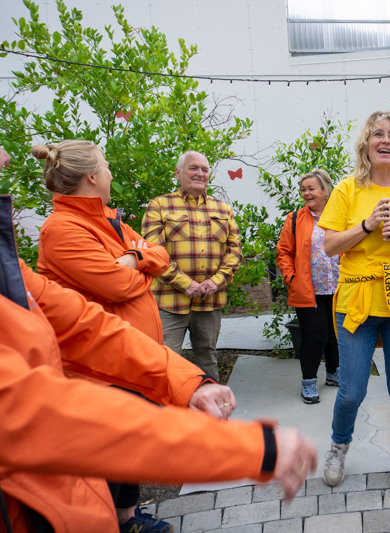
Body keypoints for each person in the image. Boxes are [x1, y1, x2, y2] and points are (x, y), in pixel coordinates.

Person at [0, 185, 316, 531]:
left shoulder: (10, 268)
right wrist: (253, 449)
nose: (7, 159)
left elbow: (87, 325)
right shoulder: (64, 229)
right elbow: (36, 412)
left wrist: (187, 382)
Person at [33, 140, 172, 532]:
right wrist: (141, 270)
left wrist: (134, 258)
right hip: (101, 365)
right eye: (106, 166)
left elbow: (160, 255)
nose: (111, 173)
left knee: (132, 445)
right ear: (92, 177)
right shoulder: (62, 230)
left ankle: (128, 518)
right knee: (109, 455)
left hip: (132, 359)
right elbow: (118, 286)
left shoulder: (108, 219)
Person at [317, 111, 390, 498]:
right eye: (378, 134)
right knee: (351, 390)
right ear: (366, 144)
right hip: (357, 298)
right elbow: (329, 246)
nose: (385, 141)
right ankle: (338, 447)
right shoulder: (347, 189)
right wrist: (367, 225)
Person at [142, 151, 242, 381]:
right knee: (165, 360)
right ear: (178, 173)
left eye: (204, 169)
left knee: (208, 358)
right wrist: (185, 284)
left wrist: (215, 282)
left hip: (209, 300)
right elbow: (153, 253)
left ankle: (213, 402)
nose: (200, 173)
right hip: (169, 301)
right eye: (193, 168)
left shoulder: (223, 210)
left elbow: (235, 252)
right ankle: (167, 404)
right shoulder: (159, 205)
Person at [276, 169, 340, 404]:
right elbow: (283, 252)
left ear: (325, 190)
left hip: (339, 287)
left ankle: (333, 373)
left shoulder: (340, 215)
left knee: (336, 334)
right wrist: (292, 278)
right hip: (308, 289)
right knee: (315, 336)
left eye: (311, 188)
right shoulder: (295, 218)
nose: (306, 193)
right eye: (303, 189)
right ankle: (309, 381)